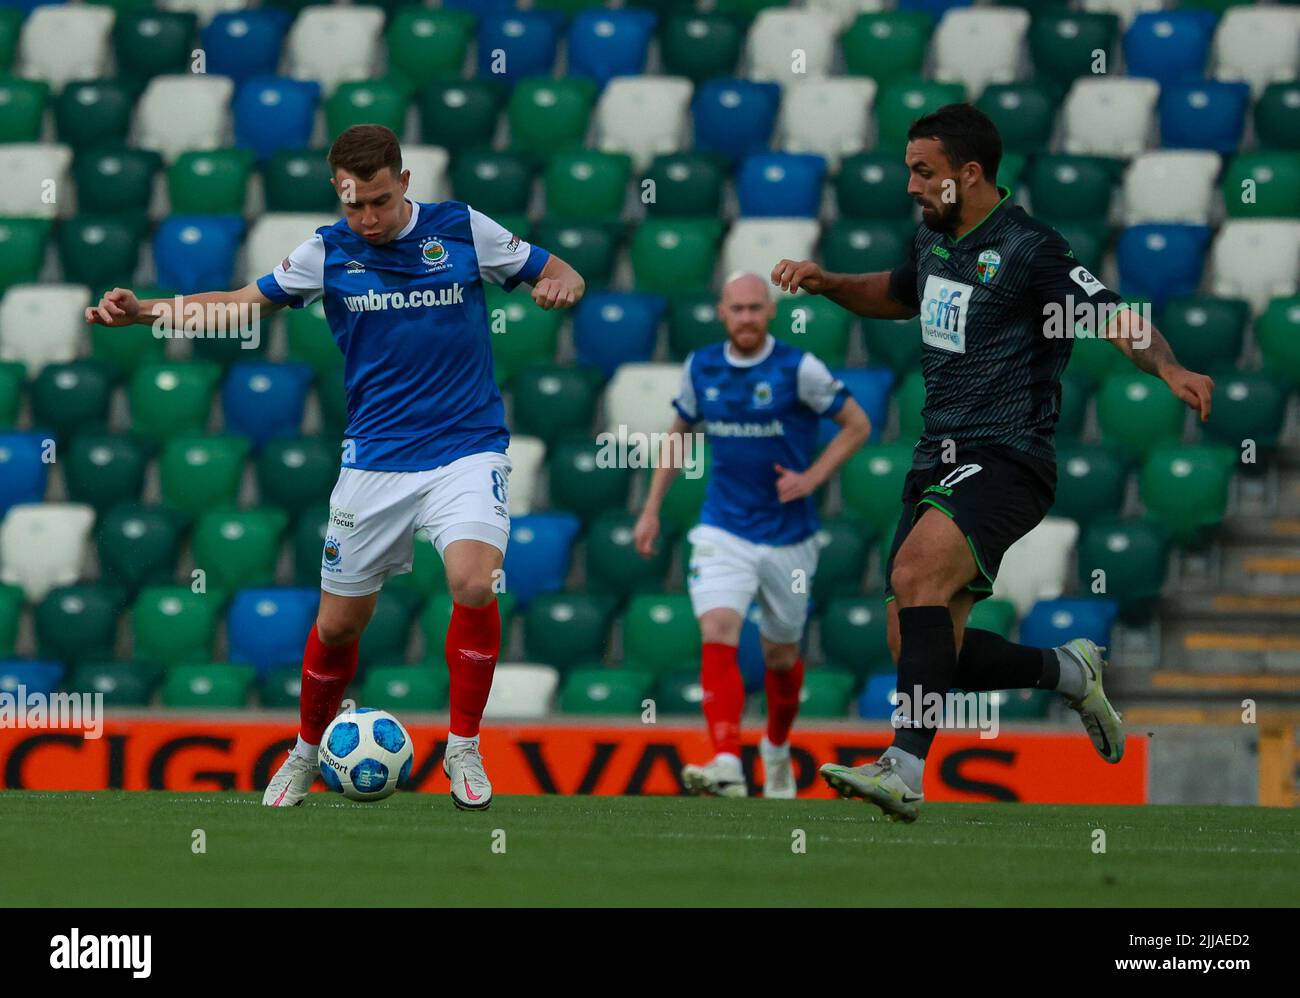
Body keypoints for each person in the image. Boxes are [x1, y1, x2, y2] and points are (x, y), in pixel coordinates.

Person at [85, 124, 586, 812]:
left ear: (404, 183)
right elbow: (239, 306)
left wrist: (560, 289)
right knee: (339, 628)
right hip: (374, 464)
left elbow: (564, 273)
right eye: (355, 205)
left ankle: (464, 748)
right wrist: (145, 313)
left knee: (473, 583)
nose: (368, 219)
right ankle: (304, 753)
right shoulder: (326, 252)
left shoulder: (464, 229)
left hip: (466, 449)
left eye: (380, 201)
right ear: (337, 192)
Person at [770, 104, 1214, 822]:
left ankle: (904, 767)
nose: (911, 184)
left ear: (967, 174)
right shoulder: (934, 239)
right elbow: (896, 294)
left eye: (924, 172)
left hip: (1009, 455)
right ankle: (1066, 670)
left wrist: (1168, 368)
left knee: (916, 576)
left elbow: (1110, 314)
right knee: (914, 640)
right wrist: (828, 283)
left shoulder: (1030, 249)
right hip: (936, 456)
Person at [634, 272, 872, 798]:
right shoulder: (703, 367)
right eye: (736, 309)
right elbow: (679, 438)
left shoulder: (799, 368)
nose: (745, 318)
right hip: (724, 528)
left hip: (790, 538)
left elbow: (857, 423)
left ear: (771, 313)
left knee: (780, 656)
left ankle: (777, 747)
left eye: (754, 309)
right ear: (722, 313)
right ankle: (725, 760)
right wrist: (651, 508)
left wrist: (812, 478)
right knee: (718, 627)